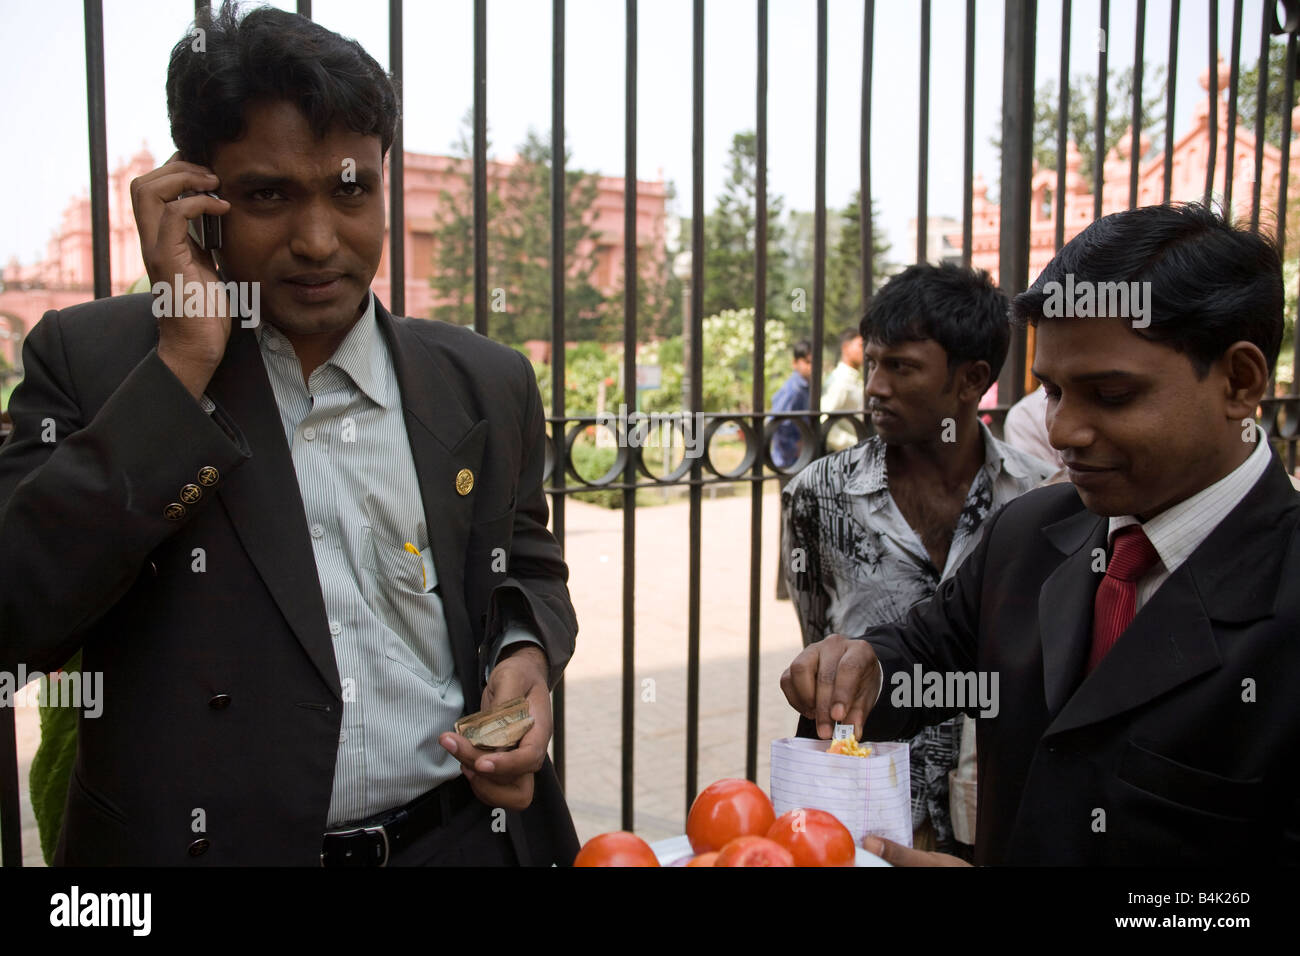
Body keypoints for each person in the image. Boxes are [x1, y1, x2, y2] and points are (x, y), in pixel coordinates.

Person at [0, 2, 578, 866]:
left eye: (350, 190)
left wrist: (526, 656)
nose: (318, 240)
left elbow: (524, 565)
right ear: (194, 198)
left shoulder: (483, 383)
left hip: (458, 842)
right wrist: (182, 364)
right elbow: (16, 613)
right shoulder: (95, 363)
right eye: (269, 195)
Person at [781, 203, 1300, 866]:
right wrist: (862, 669)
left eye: (1109, 395)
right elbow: (918, 654)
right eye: (1052, 391)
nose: (1062, 431)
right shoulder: (1029, 535)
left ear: (1240, 380)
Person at [782, 263, 1053, 858]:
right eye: (873, 362)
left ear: (970, 379)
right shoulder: (818, 495)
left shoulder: (1040, 501)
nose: (875, 385)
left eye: (901, 366)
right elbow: (820, 637)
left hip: (993, 814)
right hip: (859, 808)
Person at [771, 339, 812, 600]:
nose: (811, 366)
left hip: (798, 461)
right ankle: (786, 587)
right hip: (789, 464)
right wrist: (794, 446)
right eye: (807, 362)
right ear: (795, 363)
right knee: (791, 524)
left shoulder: (806, 387)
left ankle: (791, 585)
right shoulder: (795, 388)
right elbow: (776, 421)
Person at [822, 328, 865, 452]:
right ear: (846, 347)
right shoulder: (840, 381)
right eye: (861, 345)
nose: (865, 350)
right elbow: (824, 422)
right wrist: (854, 444)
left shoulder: (854, 378)